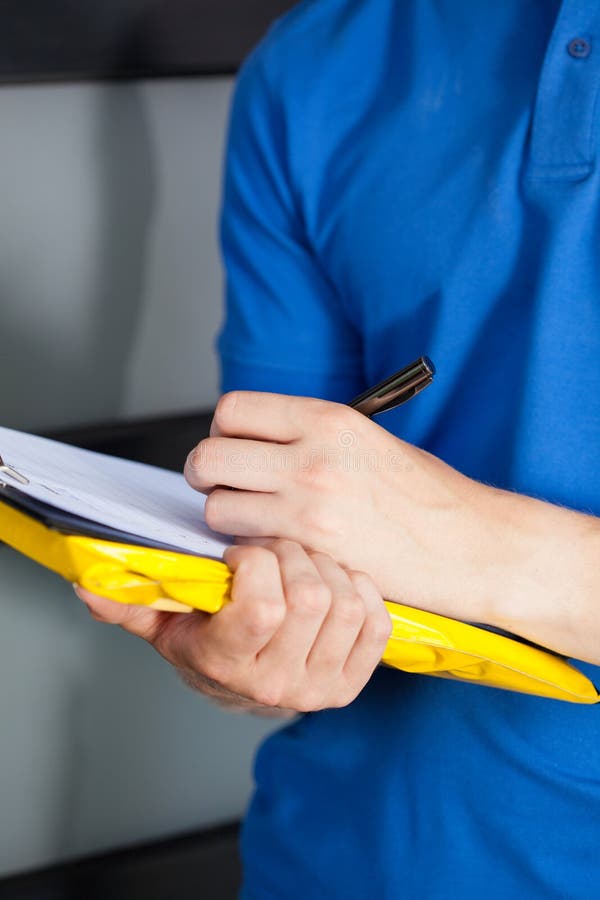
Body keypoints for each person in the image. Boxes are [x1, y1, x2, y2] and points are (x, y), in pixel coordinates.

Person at [76, 1, 600, 896]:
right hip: (333, 864)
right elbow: (286, 551)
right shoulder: (315, 63)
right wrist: (252, 650)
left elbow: (422, 535)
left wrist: (480, 548)